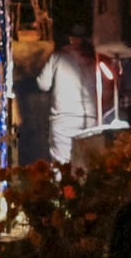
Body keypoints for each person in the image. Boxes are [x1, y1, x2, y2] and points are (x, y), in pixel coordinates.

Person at [37, 25, 100, 164]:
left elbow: (43, 84)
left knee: (62, 164)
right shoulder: (94, 59)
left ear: (69, 38)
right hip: (90, 117)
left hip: (64, 117)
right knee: (87, 164)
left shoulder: (58, 57)